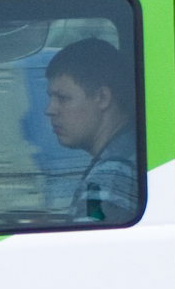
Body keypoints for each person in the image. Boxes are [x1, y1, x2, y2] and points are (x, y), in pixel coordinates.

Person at [43, 37, 142, 224]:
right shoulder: (126, 156)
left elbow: (87, 249)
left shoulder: (113, 173)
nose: (49, 109)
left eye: (63, 98)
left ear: (102, 98)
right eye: (51, 98)